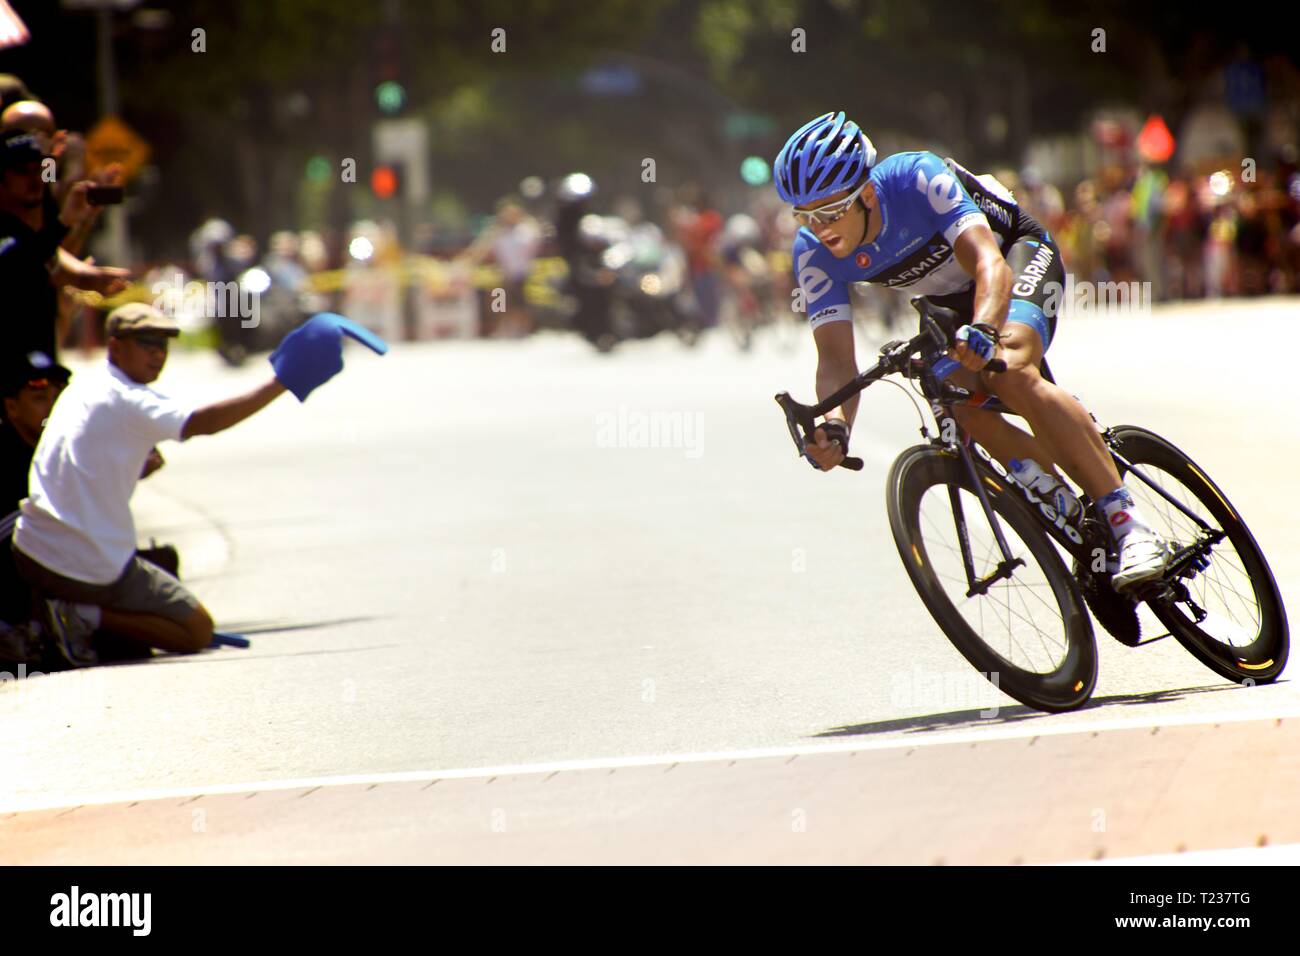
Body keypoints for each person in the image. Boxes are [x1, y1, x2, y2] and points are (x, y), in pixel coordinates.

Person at [774, 111, 1169, 591]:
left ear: (868, 194)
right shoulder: (812, 252)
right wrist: (836, 426)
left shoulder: (914, 178)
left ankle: (1128, 522)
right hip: (947, 302)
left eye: (831, 211)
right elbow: (835, 359)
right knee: (950, 395)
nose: (820, 228)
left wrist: (984, 327)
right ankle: (1069, 509)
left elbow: (988, 263)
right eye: (806, 216)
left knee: (1009, 369)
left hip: (1012, 259)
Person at [10, 304, 383, 663]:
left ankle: (75, 612)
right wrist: (281, 381)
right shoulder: (130, 399)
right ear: (115, 347)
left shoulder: (83, 390)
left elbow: (81, 467)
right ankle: (81, 614)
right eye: (146, 343)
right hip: (84, 564)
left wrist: (136, 469)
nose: (157, 353)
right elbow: (204, 422)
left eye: (163, 344)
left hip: (32, 548)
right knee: (196, 631)